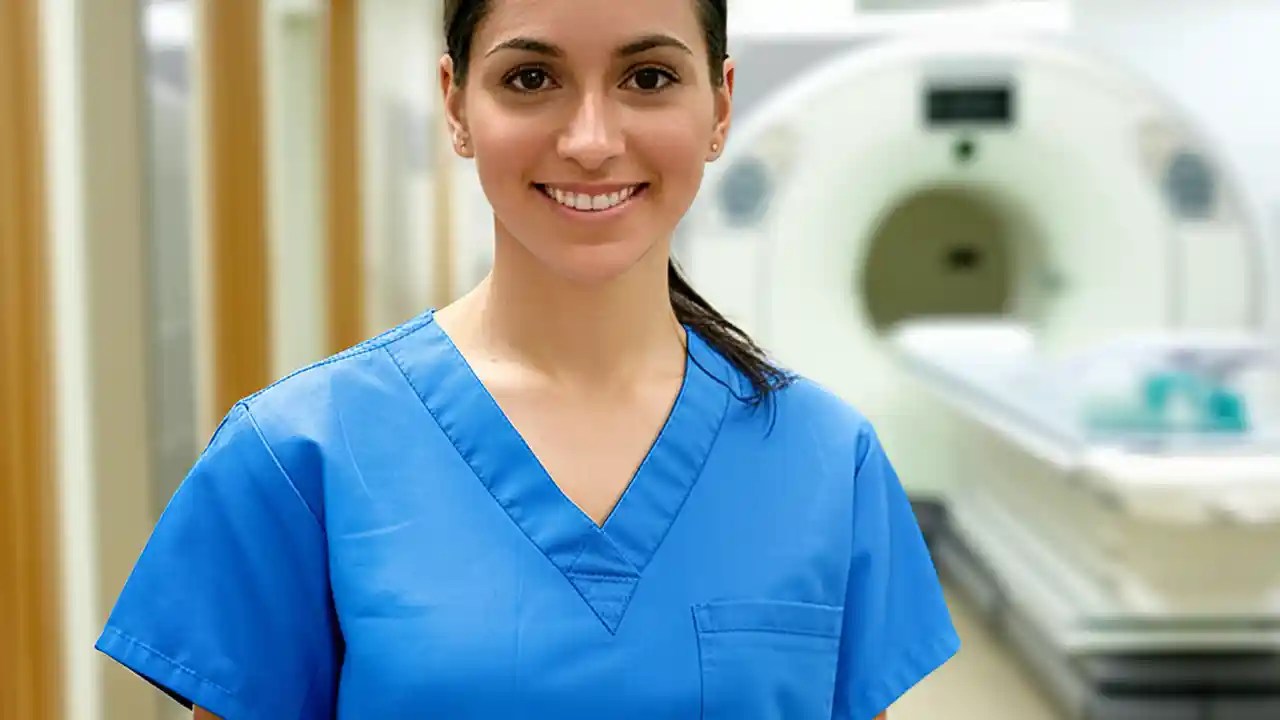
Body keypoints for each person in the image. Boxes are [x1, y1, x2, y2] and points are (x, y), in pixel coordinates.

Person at [96, 0, 960, 717]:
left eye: (648, 77)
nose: (590, 139)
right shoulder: (297, 458)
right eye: (531, 78)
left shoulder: (823, 461)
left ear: (720, 108)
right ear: (457, 105)